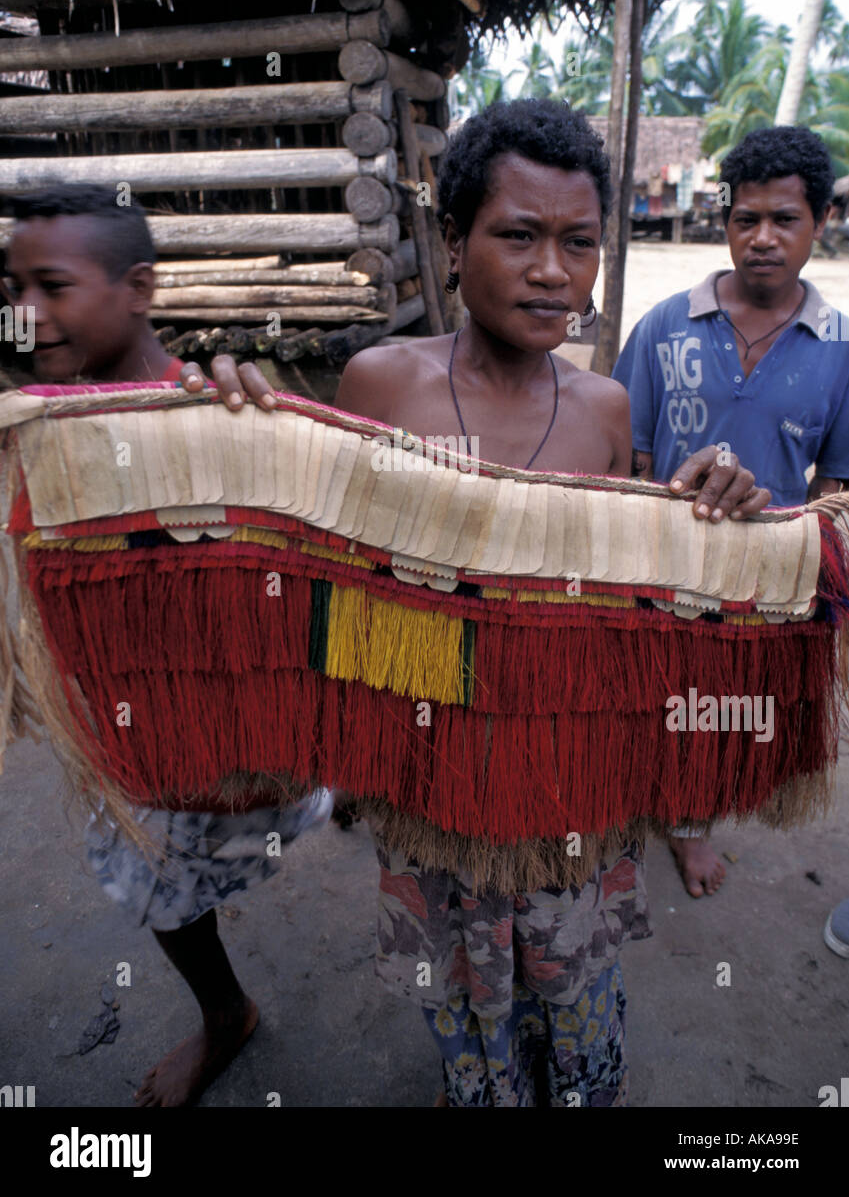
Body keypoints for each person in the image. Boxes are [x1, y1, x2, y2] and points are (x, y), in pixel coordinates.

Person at [189, 99, 769, 1106]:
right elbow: (314, 572)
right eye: (518, 235)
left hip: (564, 781)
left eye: (579, 242)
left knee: (572, 977)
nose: (554, 269)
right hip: (431, 779)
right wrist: (232, 435)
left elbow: (617, 580)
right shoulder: (382, 385)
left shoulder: (604, 409)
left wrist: (708, 503)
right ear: (453, 244)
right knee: (469, 995)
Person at [2, 184, 332, 1107]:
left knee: (311, 789)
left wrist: (253, 427)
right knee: (155, 891)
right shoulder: (35, 421)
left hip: (256, 722)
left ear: (139, 287)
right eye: (11, 285)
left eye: (52, 286)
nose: (25, 311)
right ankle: (226, 1012)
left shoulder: (218, 413)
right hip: (129, 736)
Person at [613, 125, 849, 899]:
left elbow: (838, 487)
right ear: (724, 225)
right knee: (644, 690)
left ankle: (690, 825)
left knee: (718, 709)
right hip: (660, 558)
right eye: (745, 219)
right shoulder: (662, 325)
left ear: (819, 223)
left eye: (784, 219)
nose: (762, 239)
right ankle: (632, 795)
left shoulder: (839, 349)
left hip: (761, 575)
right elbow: (625, 452)